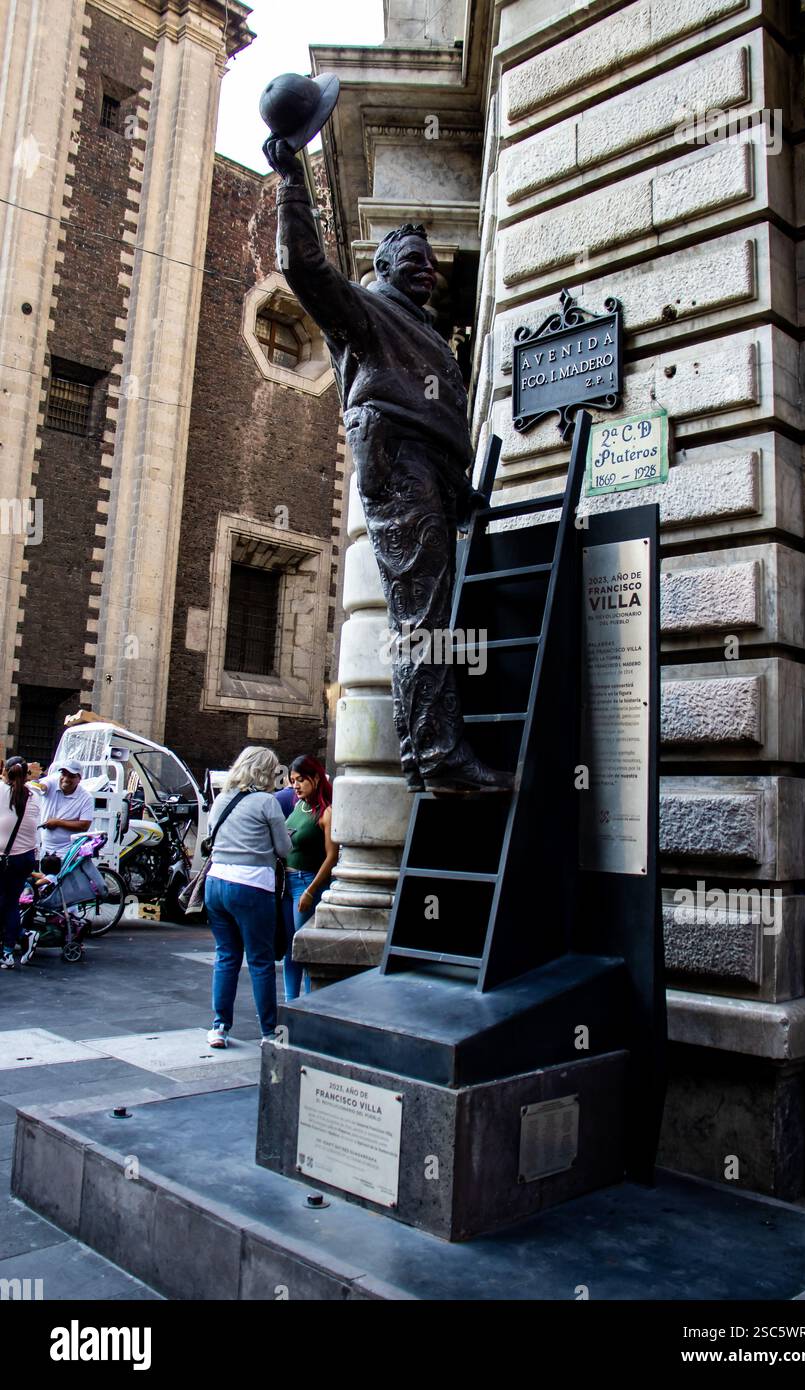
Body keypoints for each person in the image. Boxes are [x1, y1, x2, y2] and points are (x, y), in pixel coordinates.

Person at [265, 133, 511, 797]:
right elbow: (304, 264)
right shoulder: (368, 311)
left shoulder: (426, 330)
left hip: (429, 473)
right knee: (422, 618)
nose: (428, 269)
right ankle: (435, 757)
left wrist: (458, 489)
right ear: (383, 266)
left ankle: (430, 752)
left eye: (432, 262)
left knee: (433, 616)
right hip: (398, 466)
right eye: (413, 260)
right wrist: (291, 177)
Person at [204, 746, 292, 1047]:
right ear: (266, 772)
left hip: (215, 882)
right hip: (251, 884)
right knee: (260, 961)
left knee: (226, 956)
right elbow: (283, 850)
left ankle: (219, 1027)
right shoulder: (267, 802)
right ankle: (269, 1032)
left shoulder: (221, 800)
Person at [281, 755, 337, 1000]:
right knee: (289, 948)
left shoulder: (327, 812)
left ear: (315, 778)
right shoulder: (297, 806)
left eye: (301, 780)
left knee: (303, 948)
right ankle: (290, 1001)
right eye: (293, 780)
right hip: (287, 882)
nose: (296, 785)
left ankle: (306, 1002)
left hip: (306, 882)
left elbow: (331, 856)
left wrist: (311, 890)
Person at [0, 757, 41, 969]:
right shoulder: (34, 797)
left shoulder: (1, 791)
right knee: (10, 904)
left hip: (4, 859)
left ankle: (20, 938)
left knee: (5, 904)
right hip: (25, 858)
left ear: (5, 773)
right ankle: (9, 951)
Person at [30, 760, 94, 873]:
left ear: (79, 779)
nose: (66, 779)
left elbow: (84, 825)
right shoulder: (53, 781)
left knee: (61, 883)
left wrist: (57, 822)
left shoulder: (86, 797)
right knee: (46, 883)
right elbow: (41, 786)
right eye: (64, 774)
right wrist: (37, 784)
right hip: (46, 848)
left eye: (71, 776)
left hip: (67, 850)